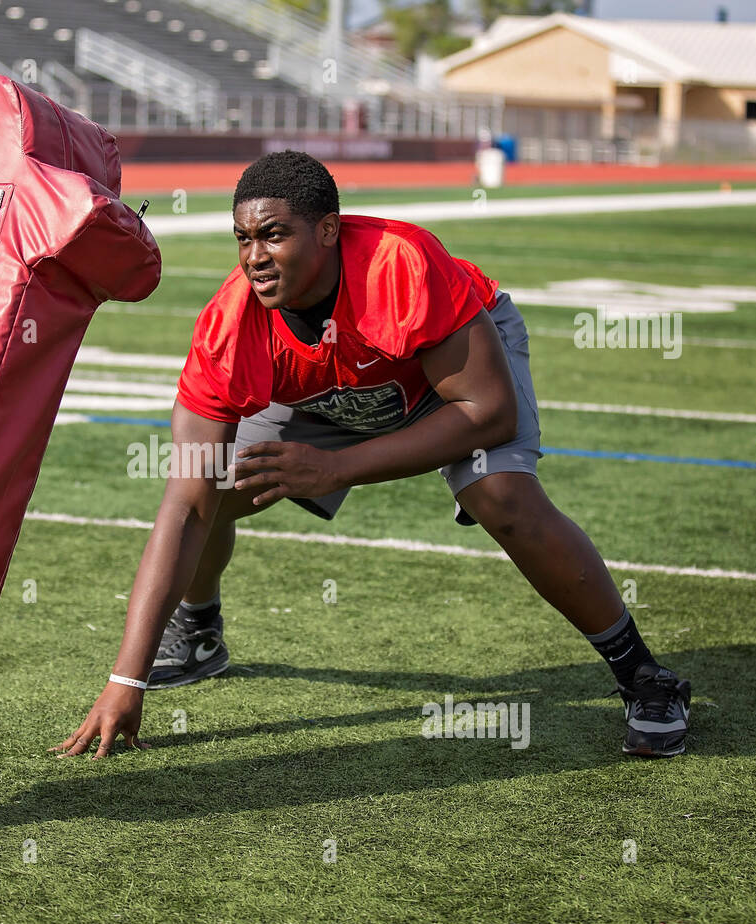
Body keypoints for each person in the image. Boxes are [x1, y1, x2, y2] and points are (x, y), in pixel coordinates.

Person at [51, 150, 690, 761]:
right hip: (333, 388)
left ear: (329, 230)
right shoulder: (230, 326)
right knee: (215, 485)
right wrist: (124, 680)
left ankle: (643, 677)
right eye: (243, 240)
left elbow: (489, 412)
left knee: (502, 495)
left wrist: (335, 467)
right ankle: (198, 631)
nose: (255, 257)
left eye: (274, 235)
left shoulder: (398, 264)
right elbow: (185, 504)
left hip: (444, 379)